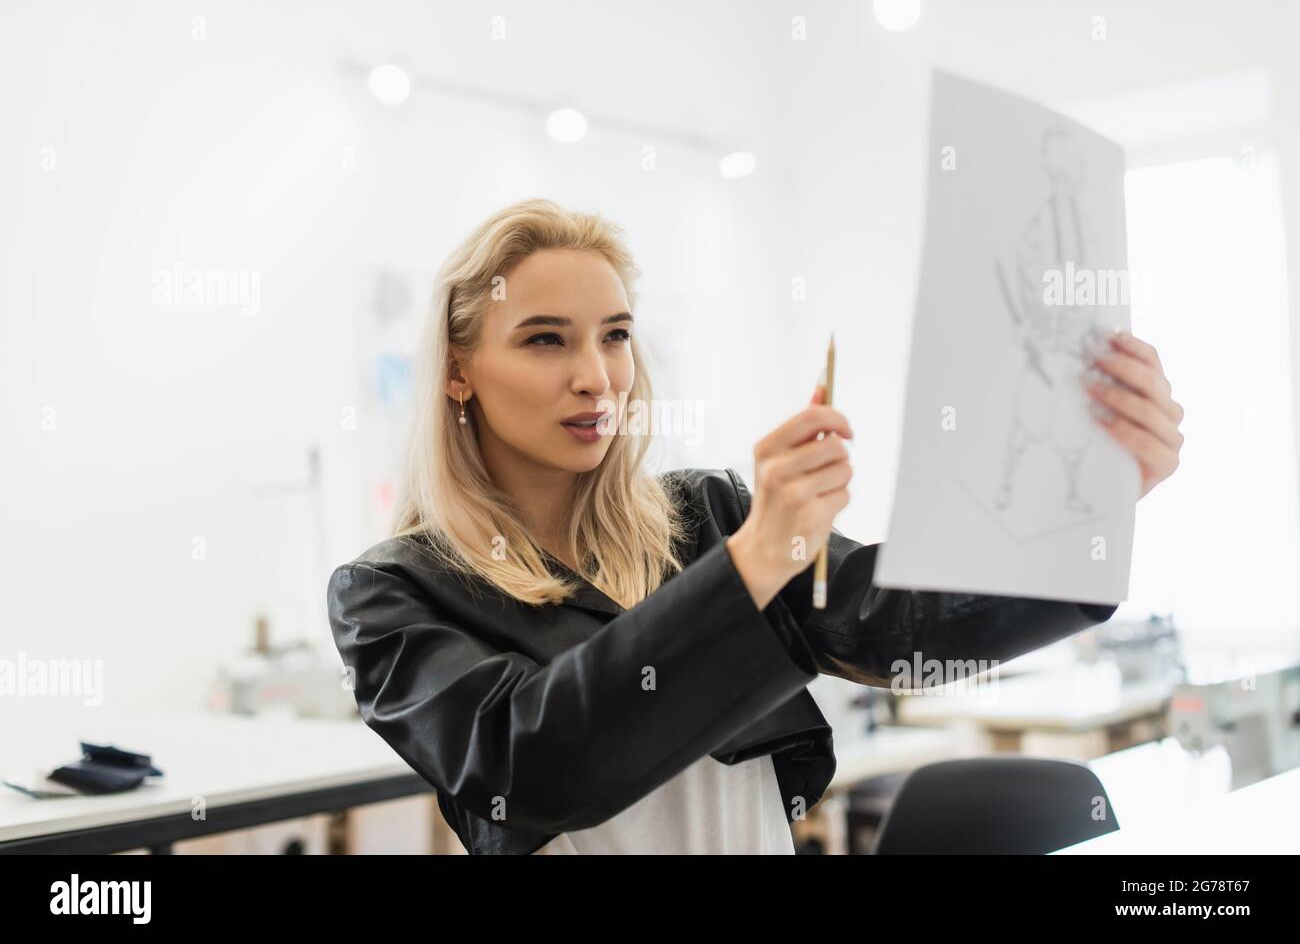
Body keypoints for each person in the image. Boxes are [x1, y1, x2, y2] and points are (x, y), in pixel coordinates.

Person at [326, 198, 1184, 855]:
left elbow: (894, 621)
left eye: (615, 335)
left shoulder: (705, 517)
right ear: (460, 373)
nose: (597, 376)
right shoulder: (392, 592)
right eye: (547, 340)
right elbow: (528, 761)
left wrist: (1086, 507)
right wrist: (753, 564)